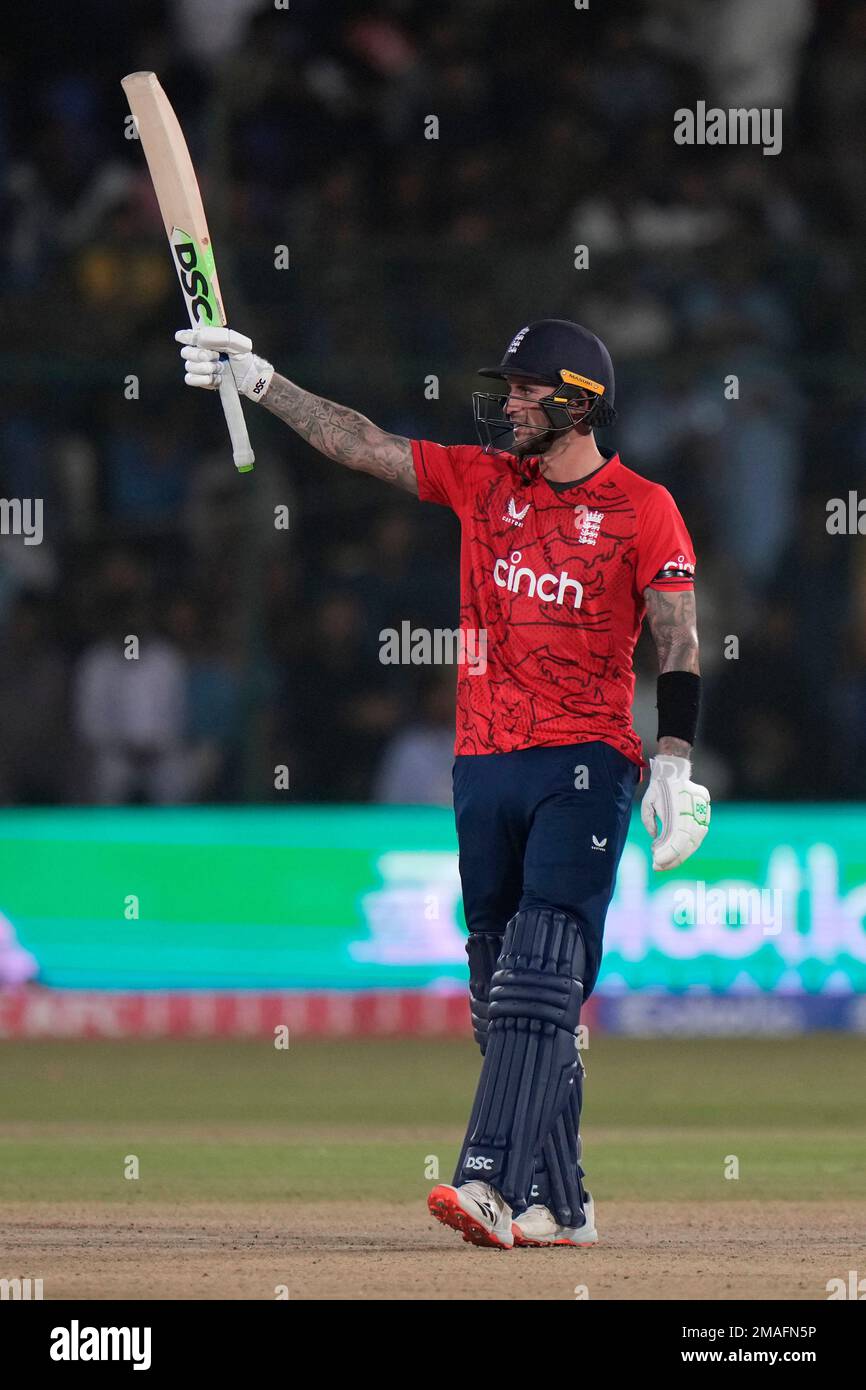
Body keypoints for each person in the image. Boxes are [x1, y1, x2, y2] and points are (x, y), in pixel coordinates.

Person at [176, 316, 711, 1249]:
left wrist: (673, 759)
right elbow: (366, 444)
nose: (506, 405)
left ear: (578, 402)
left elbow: (678, 641)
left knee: (544, 970)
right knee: (497, 988)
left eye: (523, 390)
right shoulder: (484, 481)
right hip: (483, 763)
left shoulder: (644, 506)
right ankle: (563, 1202)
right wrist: (260, 382)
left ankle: (490, 1182)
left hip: (584, 758)